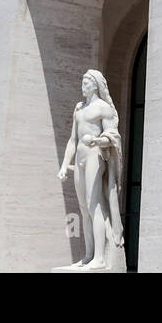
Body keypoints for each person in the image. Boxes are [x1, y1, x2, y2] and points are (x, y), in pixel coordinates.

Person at [57, 70, 124, 270]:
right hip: (79, 156)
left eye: (86, 82)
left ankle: (100, 258)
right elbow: (72, 140)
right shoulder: (79, 108)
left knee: (93, 203)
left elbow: (112, 135)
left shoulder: (103, 108)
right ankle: (88, 255)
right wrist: (63, 165)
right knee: (83, 208)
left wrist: (98, 140)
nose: (82, 85)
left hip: (95, 154)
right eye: (82, 82)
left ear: (95, 85)